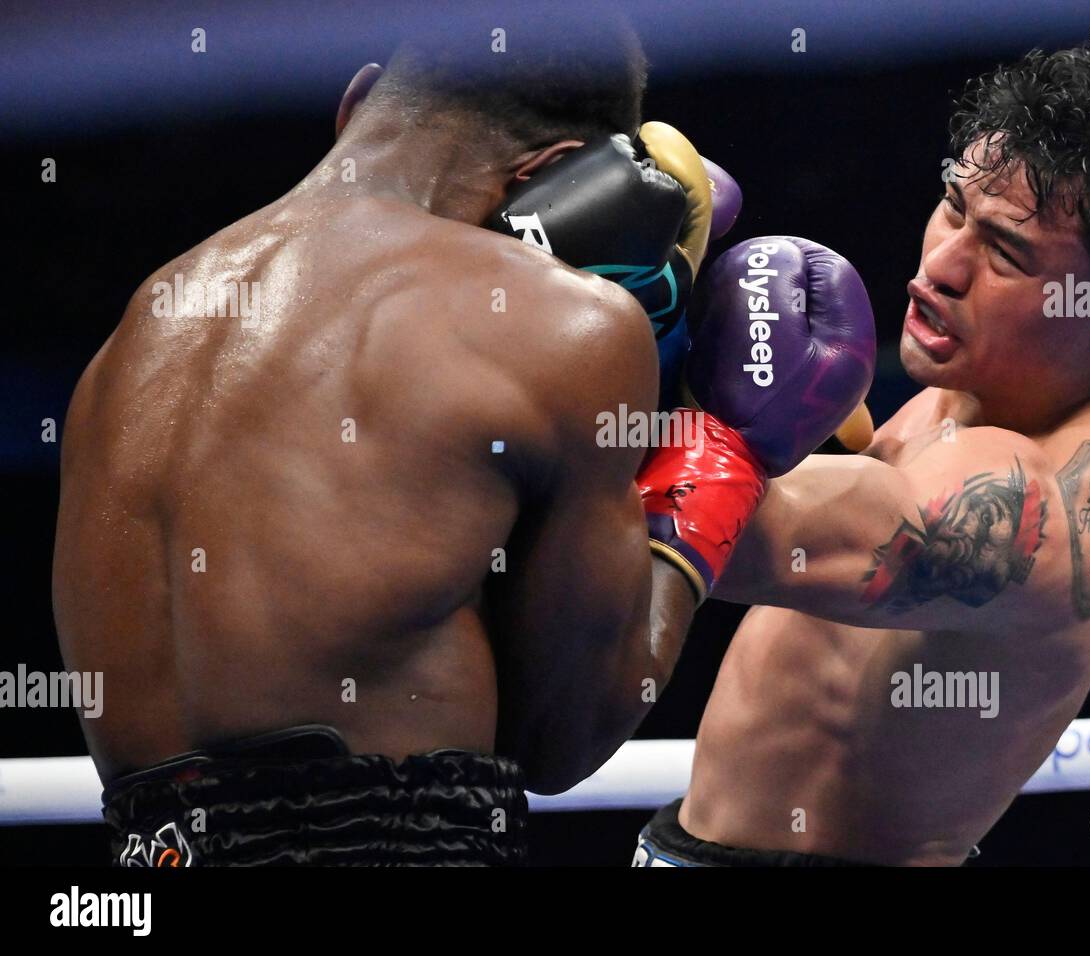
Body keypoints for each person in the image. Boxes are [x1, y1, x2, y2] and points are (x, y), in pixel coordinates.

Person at [51, 16, 874, 865]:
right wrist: (721, 455)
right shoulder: (567, 323)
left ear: (357, 99)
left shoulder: (139, 333)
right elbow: (568, 735)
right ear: (558, 177)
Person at [634, 42, 1090, 867]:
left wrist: (634, 330)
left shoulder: (1044, 513)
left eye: (1005, 253)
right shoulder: (1029, 363)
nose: (942, 265)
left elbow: (717, 534)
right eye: (953, 207)